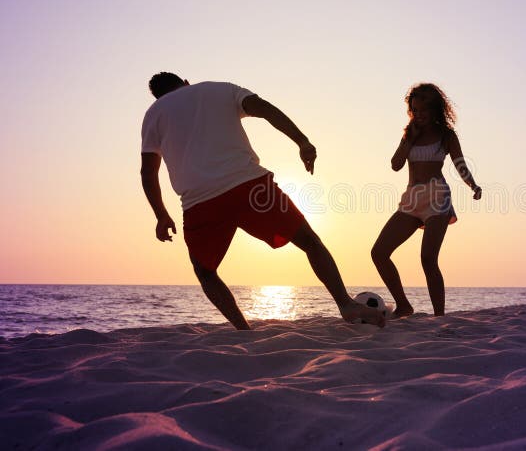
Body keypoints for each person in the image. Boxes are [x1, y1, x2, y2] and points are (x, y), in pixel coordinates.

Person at [140, 72, 385, 329]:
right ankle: (345, 304)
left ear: (158, 97)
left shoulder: (154, 114)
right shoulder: (219, 89)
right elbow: (267, 110)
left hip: (200, 203)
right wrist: (302, 142)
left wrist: (161, 215)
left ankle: (242, 330)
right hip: (251, 187)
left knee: (205, 272)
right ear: (186, 82)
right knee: (310, 242)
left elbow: (148, 172)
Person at [371, 83, 482, 317]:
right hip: (412, 198)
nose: (419, 114)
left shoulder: (446, 135)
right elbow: (395, 165)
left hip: (437, 197)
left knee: (428, 258)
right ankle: (404, 305)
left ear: (435, 109)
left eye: (424, 110)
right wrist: (409, 140)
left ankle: (439, 316)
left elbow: (460, 164)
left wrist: (473, 184)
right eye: (415, 110)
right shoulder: (409, 134)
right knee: (379, 252)